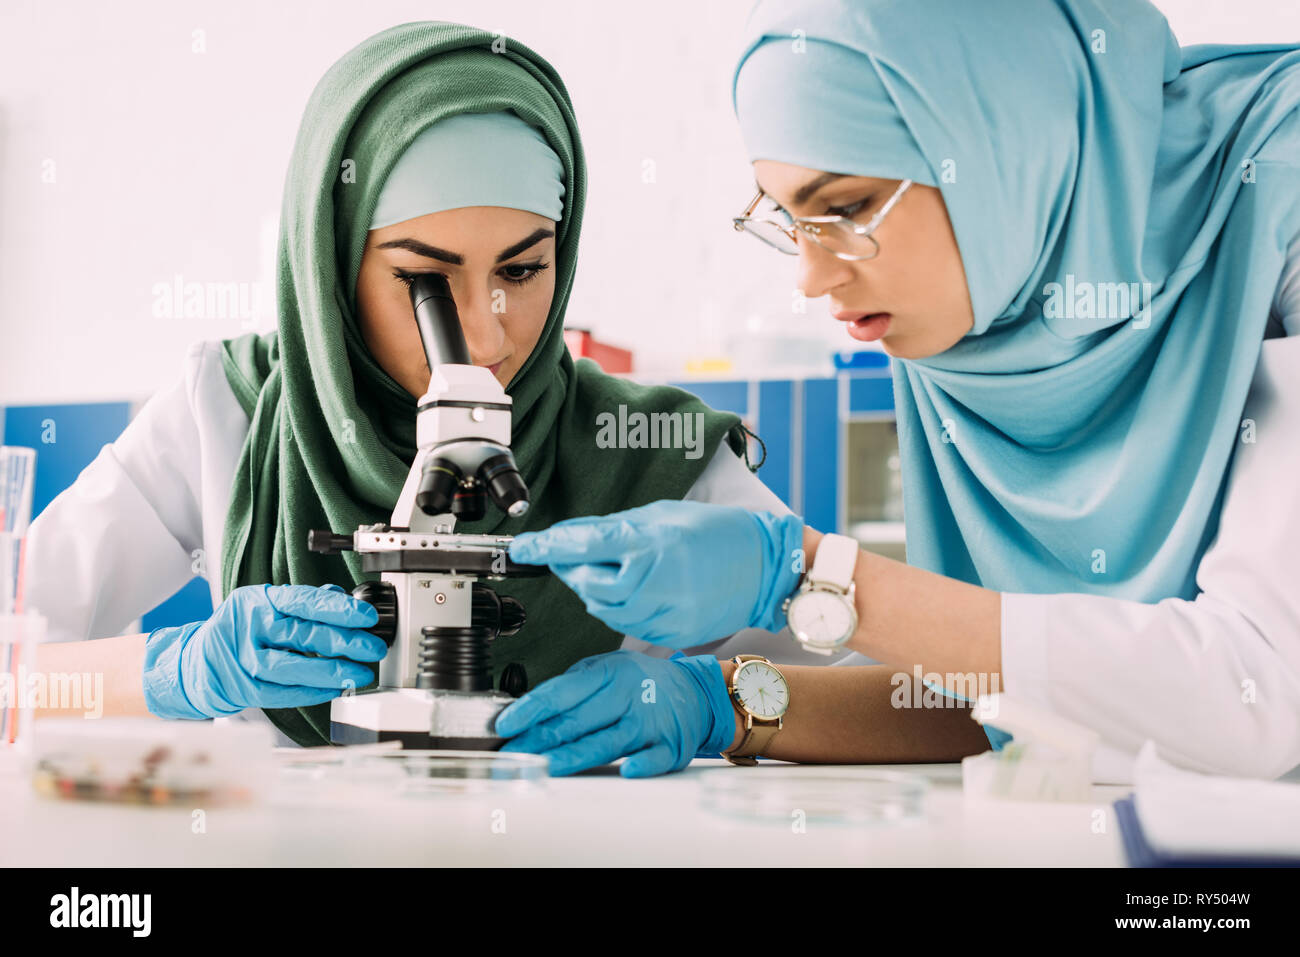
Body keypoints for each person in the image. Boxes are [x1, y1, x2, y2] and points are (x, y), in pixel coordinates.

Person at [497, 0, 1300, 781]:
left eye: (843, 208)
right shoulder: (975, 295)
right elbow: (995, 691)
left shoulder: (1281, 187)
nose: (812, 278)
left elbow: (1255, 695)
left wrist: (812, 576)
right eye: (788, 218)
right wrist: (730, 702)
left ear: (1003, 139)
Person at [24, 22, 830, 754]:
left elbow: (912, 692)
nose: (482, 337)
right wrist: (178, 671)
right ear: (333, 268)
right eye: (424, 281)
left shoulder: (653, 452)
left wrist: (715, 701)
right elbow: (15, 666)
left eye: (522, 268)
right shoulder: (227, 411)